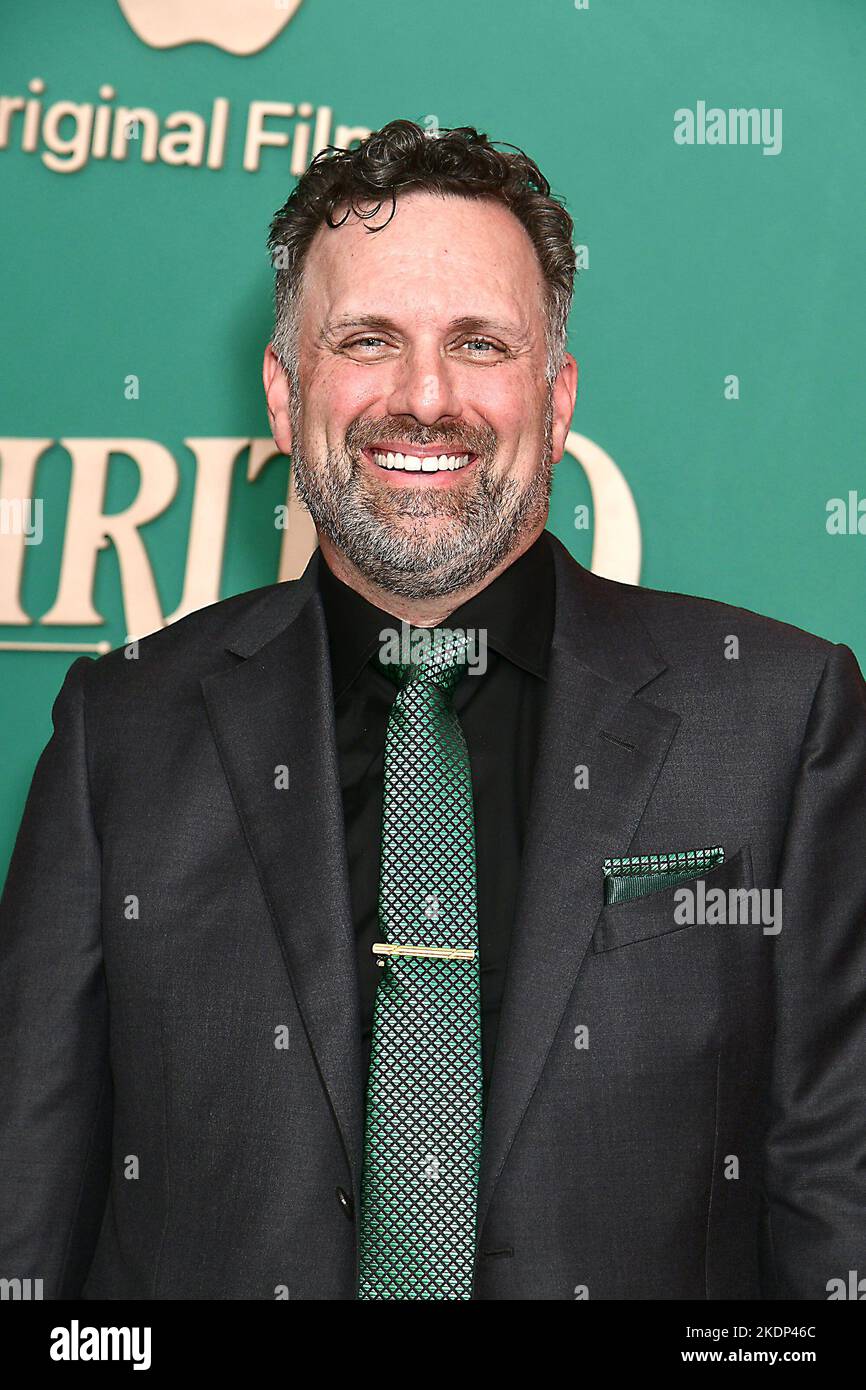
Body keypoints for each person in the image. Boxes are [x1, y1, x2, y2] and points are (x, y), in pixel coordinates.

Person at [1, 120, 864, 1300]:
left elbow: (836, 1186)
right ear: (282, 389)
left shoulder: (777, 716)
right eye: (366, 339)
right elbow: (26, 1201)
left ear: (554, 400)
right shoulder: (122, 730)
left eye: (479, 343)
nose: (424, 397)